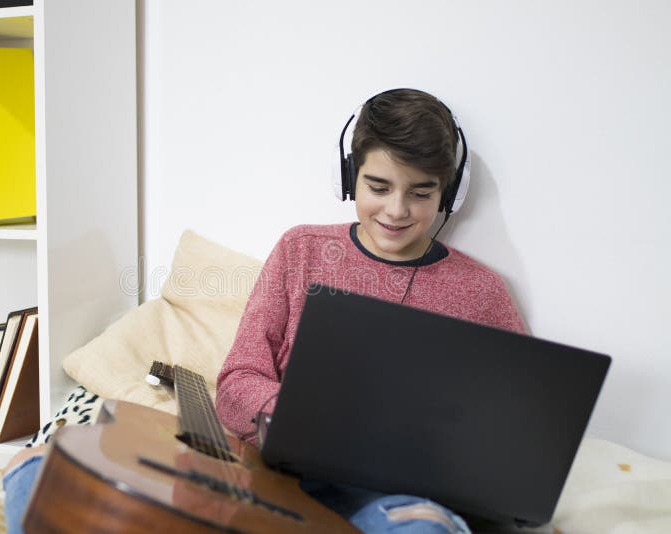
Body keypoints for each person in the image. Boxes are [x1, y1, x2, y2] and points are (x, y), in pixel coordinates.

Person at [214, 88, 525, 533]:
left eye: (420, 193)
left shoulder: (482, 292)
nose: (396, 211)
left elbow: (516, 426)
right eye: (378, 187)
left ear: (448, 194)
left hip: (406, 501)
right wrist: (297, 415)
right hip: (291, 479)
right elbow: (235, 384)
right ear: (350, 177)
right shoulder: (302, 250)